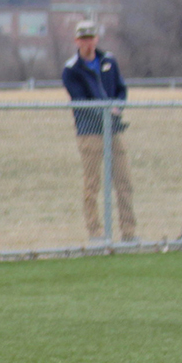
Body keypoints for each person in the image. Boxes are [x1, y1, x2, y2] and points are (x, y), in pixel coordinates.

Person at [60, 20, 135, 242]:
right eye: (83, 38)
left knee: (124, 182)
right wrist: (105, 112)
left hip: (113, 130)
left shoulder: (108, 61)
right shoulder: (72, 69)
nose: (88, 43)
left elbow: (121, 89)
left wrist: (117, 107)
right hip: (90, 132)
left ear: (97, 39)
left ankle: (129, 232)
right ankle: (96, 232)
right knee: (92, 184)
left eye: (91, 37)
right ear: (77, 41)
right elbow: (81, 101)